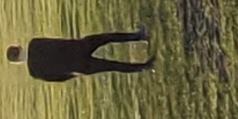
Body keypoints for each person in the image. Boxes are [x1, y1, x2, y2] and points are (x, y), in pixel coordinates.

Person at [12, 32, 158, 80]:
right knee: (108, 38)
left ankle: (144, 66)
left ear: (17, 62)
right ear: (18, 47)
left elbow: (58, 78)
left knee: (113, 66)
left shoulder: (34, 72)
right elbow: (56, 41)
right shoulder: (34, 43)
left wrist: (74, 74)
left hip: (80, 66)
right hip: (78, 47)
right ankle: (138, 36)